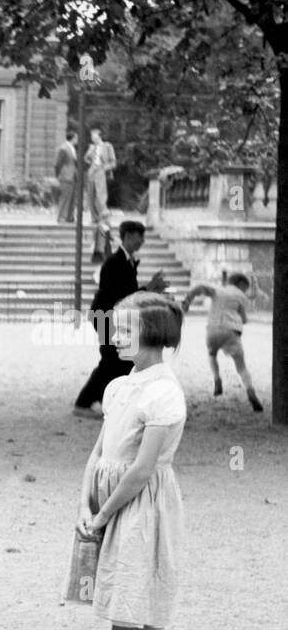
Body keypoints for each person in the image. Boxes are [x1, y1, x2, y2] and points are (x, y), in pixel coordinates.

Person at [69, 292, 186, 630]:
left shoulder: (164, 392)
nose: (114, 336)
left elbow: (142, 468)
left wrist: (102, 513)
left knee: (148, 610)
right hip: (110, 505)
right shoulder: (119, 386)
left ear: (153, 334)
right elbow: (99, 452)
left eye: (124, 329)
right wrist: (84, 503)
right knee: (121, 603)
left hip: (141, 508)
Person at [73, 220, 163, 417]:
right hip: (105, 314)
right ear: (129, 236)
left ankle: (107, 399)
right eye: (140, 236)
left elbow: (126, 294)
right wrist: (149, 289)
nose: (142, 241)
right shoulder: (114, 262)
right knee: (111, 359)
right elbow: (120, 295)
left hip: (112, 314)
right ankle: (84, 402)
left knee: (121, 359)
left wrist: (149, 291)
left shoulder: (126, 261)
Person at [181, 272, 263, 411]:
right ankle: (250, 391)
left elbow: (200, 287)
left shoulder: (218, 290)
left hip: (212, 330)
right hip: (232, 332)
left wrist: (187, 300)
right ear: (241, 284)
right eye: (245, 287)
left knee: (212, 354)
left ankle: (217, 379)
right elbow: (244, 319)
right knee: (241, 367)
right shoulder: (241, 296)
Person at [85, 127, 117, 258]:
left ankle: (103, 218)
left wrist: (104, 168)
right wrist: (90, 160)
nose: (92, 138)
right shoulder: (92, 147)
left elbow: (113, 162)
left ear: (99, 136)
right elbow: (86, 158)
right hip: (92, 171)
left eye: (94, 136)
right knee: (91, 195)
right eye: (91, 136)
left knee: (101, 196)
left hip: (101, 171)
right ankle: (94, 217)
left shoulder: (107, 146)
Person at [54, 129, 79, 223]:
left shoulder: (72, 148)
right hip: (65, 177)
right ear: (73, 138)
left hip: (72, 176)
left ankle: (70, 217)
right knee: (65, 198)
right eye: (76, 138)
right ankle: (61, 218)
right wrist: (58, 176)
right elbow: (58, 164)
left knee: (72, 198)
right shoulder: (63, 148)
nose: (77, 140)